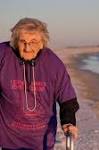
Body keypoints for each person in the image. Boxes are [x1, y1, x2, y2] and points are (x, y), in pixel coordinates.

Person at [0, 18, 79, 150]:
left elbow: (67, 97)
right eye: (23, 42)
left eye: (33, 42)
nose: (27, 47)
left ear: (42, 43)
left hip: (42, 141)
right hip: (9, 140)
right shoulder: (3, 54)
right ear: (15, 42)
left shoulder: (53, 63)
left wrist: (69, 121)